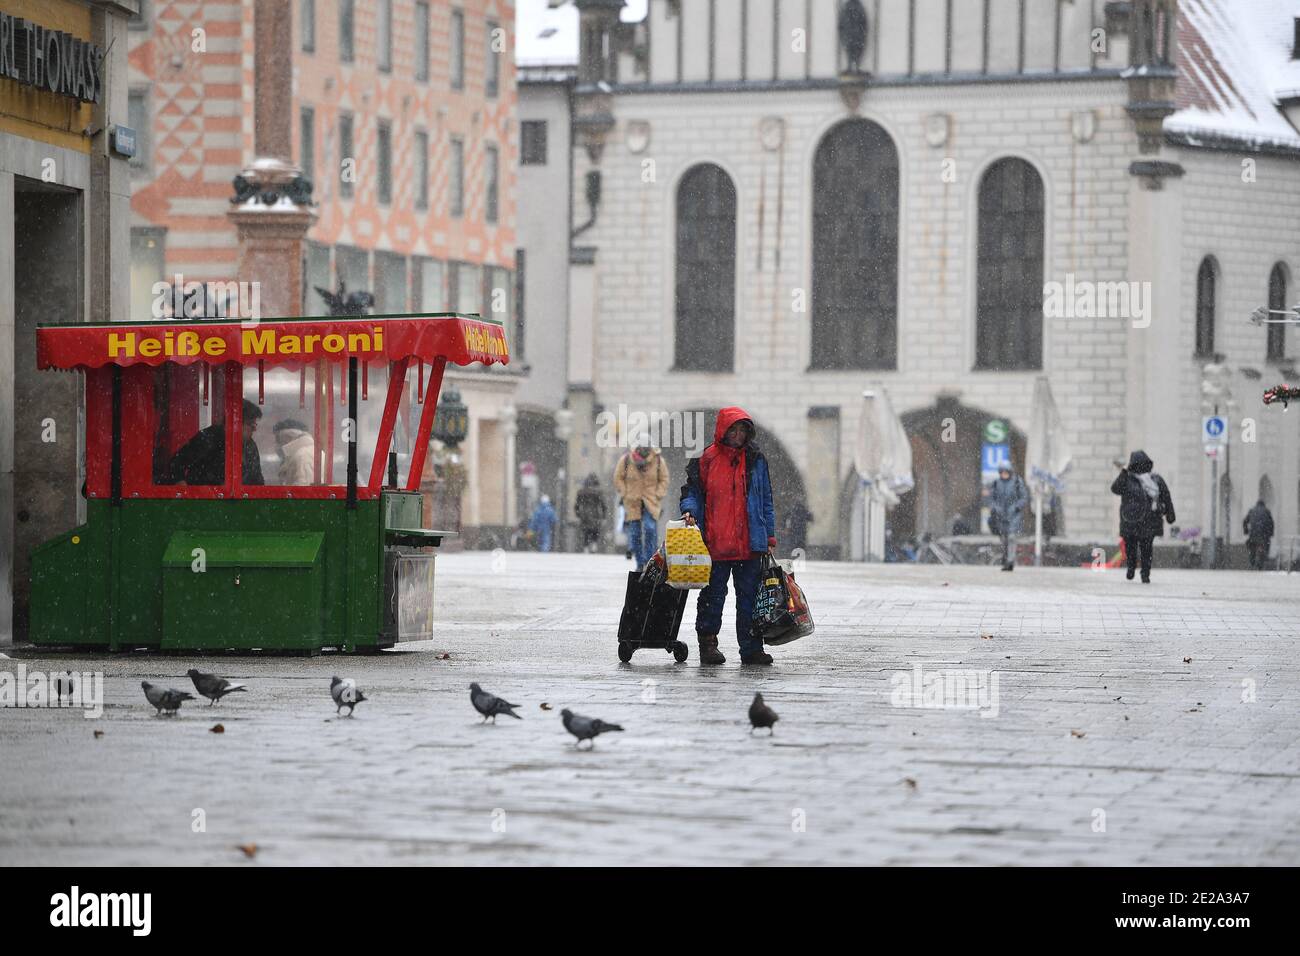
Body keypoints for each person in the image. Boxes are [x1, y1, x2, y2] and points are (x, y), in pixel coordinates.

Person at [680, 407, 777, 667]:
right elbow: (693, 493)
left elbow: (766, 499)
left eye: (742, 430)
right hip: (715, 544)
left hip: (750, 544)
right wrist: (689, 510)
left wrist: (769, 536)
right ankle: (708, 645)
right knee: (713, 597)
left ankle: (751, 649)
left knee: (750, 600)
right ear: (723, 430)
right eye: (732, 429)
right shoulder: (706, 459)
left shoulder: (756, 460)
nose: (737, 435)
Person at [165, 399, 265, 486]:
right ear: (236, 422)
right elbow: (176, 464)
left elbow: (257, 480)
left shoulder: (250, 446)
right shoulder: (208, 438)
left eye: (255, 425)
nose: (254, 429)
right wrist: (184, 490)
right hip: (204, 501)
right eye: (250, 424)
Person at [1111, 450, 1175, 583]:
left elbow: (1166, 496)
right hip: (1130, 520)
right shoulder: (1127, 478)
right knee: (1130, 548)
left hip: (1149, 521)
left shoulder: (1156, 479)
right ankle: (1131, 567)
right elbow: (1115, 489)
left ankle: (1145, 573)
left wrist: (1170, 514)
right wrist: (1123, 473)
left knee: (1147, 549)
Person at [613, 435, 669, 571]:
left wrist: (658, 494)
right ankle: (639, 563)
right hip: (632, 501)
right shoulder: (626, 460)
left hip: (650, 501)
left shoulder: (658, 461)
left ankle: (649, 561)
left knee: (650, 529)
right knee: (635, 533)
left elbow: (664, 479)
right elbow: (618, 477)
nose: (643, 451)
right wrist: (625, 492)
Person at [987, 462, 1028, 571]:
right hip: (1000, 517)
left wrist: (1015, 507)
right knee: (1004, 540)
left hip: (1013, 516)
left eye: (1006, 472)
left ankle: (1010, 560)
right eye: (1002, 472)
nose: (1004, 474)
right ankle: (1006, 560)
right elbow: (991, 499)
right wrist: (995, 508)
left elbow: (1023, 497)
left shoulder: (1017, 482)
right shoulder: (996, 484)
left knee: (1011, 538)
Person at [272, 418, 315, 485]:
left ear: (288, 437)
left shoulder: (302, 457)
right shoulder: (301, 454)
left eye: (278, 439)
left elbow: (303, 490)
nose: (276, 443)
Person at [574, 474, 608, 553]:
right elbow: (603, 505)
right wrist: (604, 516)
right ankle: (594, 544)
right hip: (595, 514)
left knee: (586, 531)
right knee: (595, 530)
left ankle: (586, 546)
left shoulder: (581, 492)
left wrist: (578, 514)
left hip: (584, 514)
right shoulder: (598, 492)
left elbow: (577, 505)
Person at [1244, 499, 1275, 570]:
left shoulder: (1252, 511)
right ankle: (1263, 560)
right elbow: (1271, 523)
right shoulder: (1267, 511)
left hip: (1253, 535)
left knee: (1251, 546)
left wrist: (1246, 531)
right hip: (1264, 535)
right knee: (1266, 546)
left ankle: (1252, 560)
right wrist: (1271, 533)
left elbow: (1245, 521)